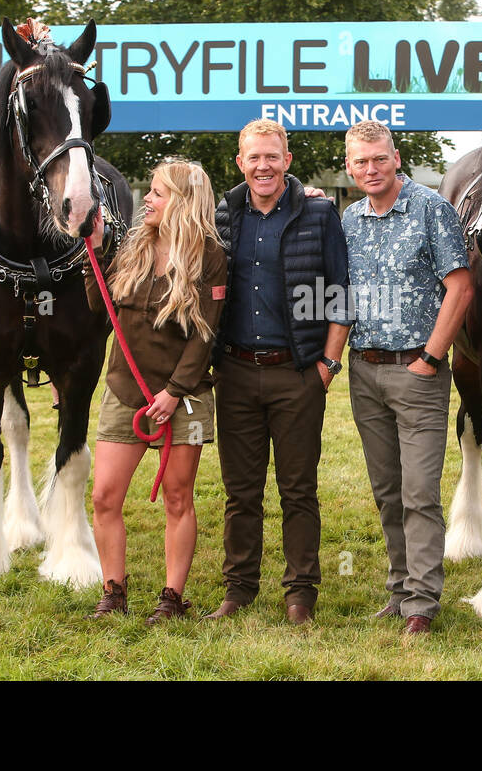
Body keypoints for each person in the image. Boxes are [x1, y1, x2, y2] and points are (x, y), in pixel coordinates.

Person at [207, 119, 350, 625]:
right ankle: (239, 588)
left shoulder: (317, 212)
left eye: (272, 156)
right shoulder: (223, 214)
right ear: (240, 161)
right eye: (254, 157)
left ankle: (300, 595)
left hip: (298, 374)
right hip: (237, 372)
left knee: (298, 490)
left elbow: (340, 293)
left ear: (286, 160)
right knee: (240, 492)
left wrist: (327, 367)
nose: (263, 166)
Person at [333, 120, 472, 635]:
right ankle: (398, 588)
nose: (370, 169)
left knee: (419, 492)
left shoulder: (433, 209)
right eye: (360, 162)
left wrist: (431, 359)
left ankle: (422, 602)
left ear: (396, 157)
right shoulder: (349, 219)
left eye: (378, 159)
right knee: (387, 490)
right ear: (350, 166)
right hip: (364, 370)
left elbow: (460, 288)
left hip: (418, 371)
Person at [84, 159, 227, 624]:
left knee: (177, 498)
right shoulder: (133, 245)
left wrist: (172, 392)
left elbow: (205, 336)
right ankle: (113, 591)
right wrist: (97, 252)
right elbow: (98, 308)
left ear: (183, 202)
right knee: (105, 496)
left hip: (180, 398)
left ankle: (171, 597)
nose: (147, 199)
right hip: (125, 392)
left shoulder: (209, 256)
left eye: (158, 192)